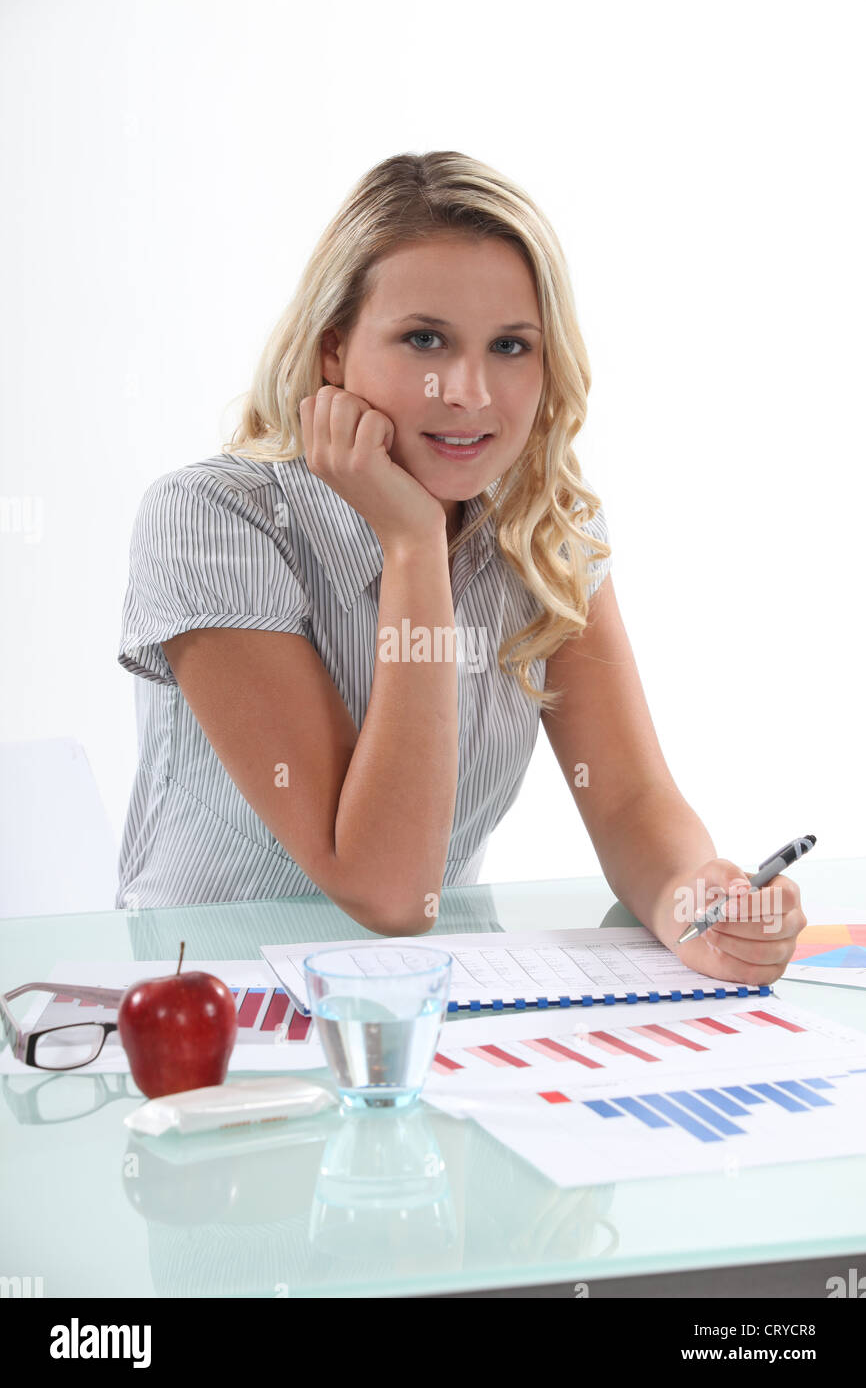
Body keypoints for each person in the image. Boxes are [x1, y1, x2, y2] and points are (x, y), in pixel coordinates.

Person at [116, 150, 806, 983]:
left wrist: (697, 902)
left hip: (423, 1003)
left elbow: (627, 803)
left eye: (511, 345)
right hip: (216, 1002)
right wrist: (412, 546)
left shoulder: (545, 528)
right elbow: (389, 890)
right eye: (424, 339)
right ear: (333, 350)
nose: (470, 391)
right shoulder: (214, 520)